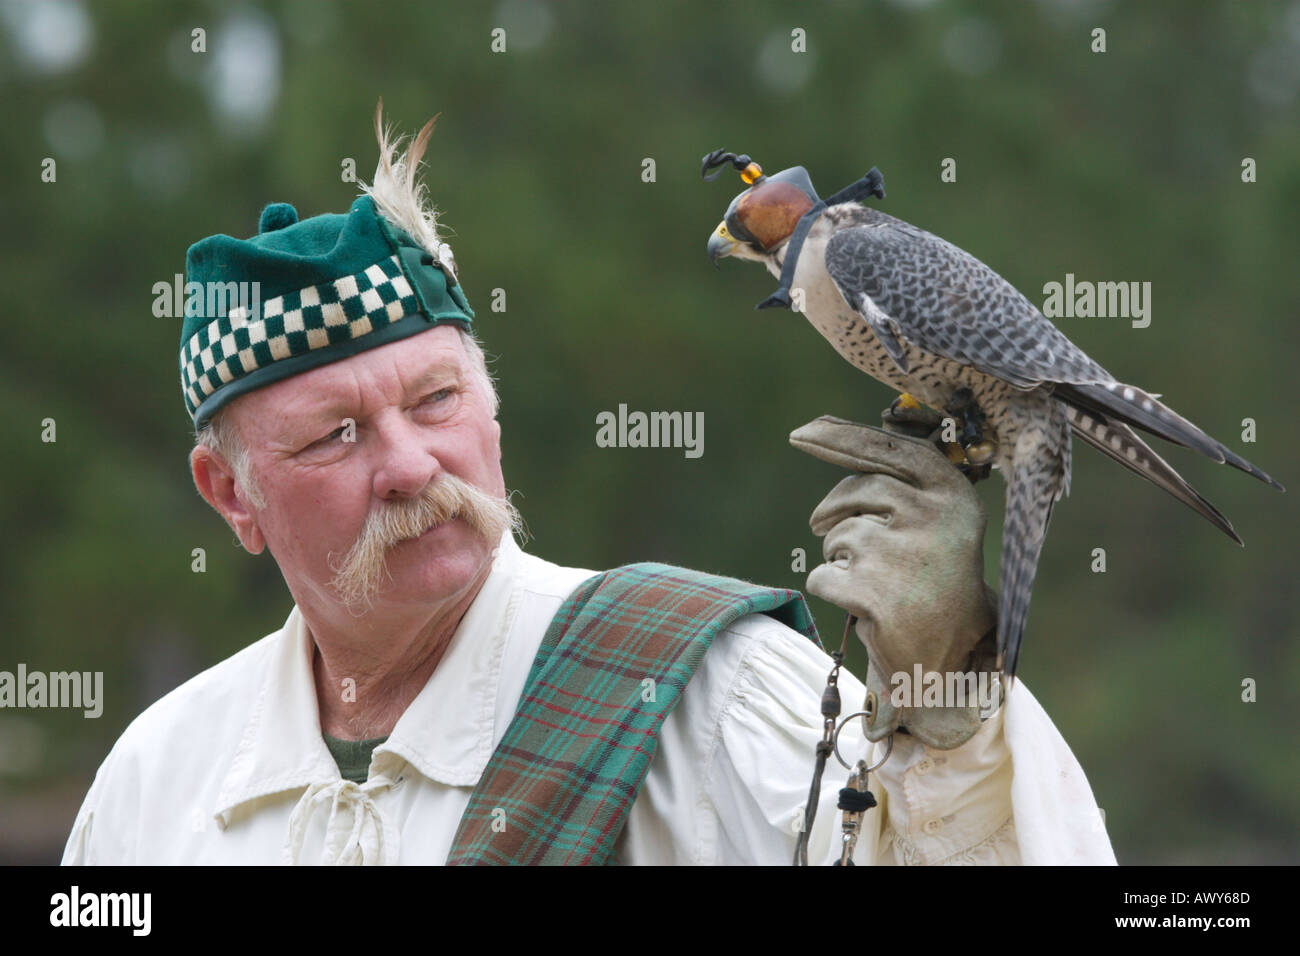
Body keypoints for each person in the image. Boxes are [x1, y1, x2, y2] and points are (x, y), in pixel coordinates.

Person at [61, 111, 1115, 865]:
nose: (412, 466)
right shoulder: (159, 780)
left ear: (492, 403)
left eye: (434, 400)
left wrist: (948, 713)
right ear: (231, 496)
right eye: (335, 436)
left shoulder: (716, 698)